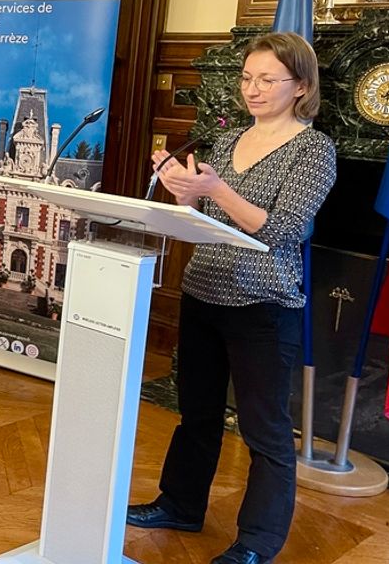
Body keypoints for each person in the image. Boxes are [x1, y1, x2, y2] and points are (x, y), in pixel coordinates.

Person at [129, 32, 336, 564]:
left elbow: (283, 232)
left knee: (263, 430)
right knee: (196, 412)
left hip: (263, 307)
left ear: (301, 86)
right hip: (204, 292)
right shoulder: (230, 140)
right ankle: (180, 504)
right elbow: (211, 220)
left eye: (268, 79)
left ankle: (257, 544)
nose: (254, 88)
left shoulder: (315, 150)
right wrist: (182, 189)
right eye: (247, 78)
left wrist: (215, 190)